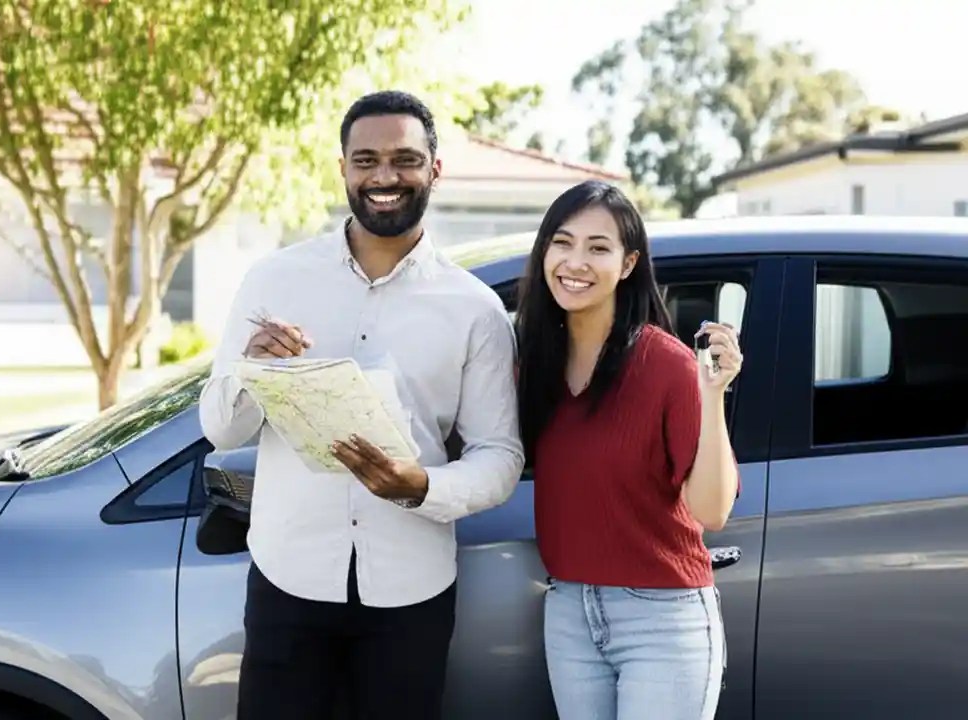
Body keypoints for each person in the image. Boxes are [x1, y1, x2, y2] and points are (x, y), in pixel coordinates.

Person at [199, 90, 524, 720]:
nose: (384, 177)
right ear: (343, 168)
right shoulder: (274, 280)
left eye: (404, 159)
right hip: (288, 579)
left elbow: (500, 455)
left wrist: (423, 485)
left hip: (413, 588)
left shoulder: (475, 308)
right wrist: (252, 369)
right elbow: (219, 428)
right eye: (366, 159)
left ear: (435, 168)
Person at [514, 180, 742, 719]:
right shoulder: (532, 364)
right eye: (562, 242)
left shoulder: (666, 365)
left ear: (628, 262)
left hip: (662, 617)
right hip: (569, 611)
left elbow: (712, 511)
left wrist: (712, 396)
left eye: (599, 247)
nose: (575, 262)